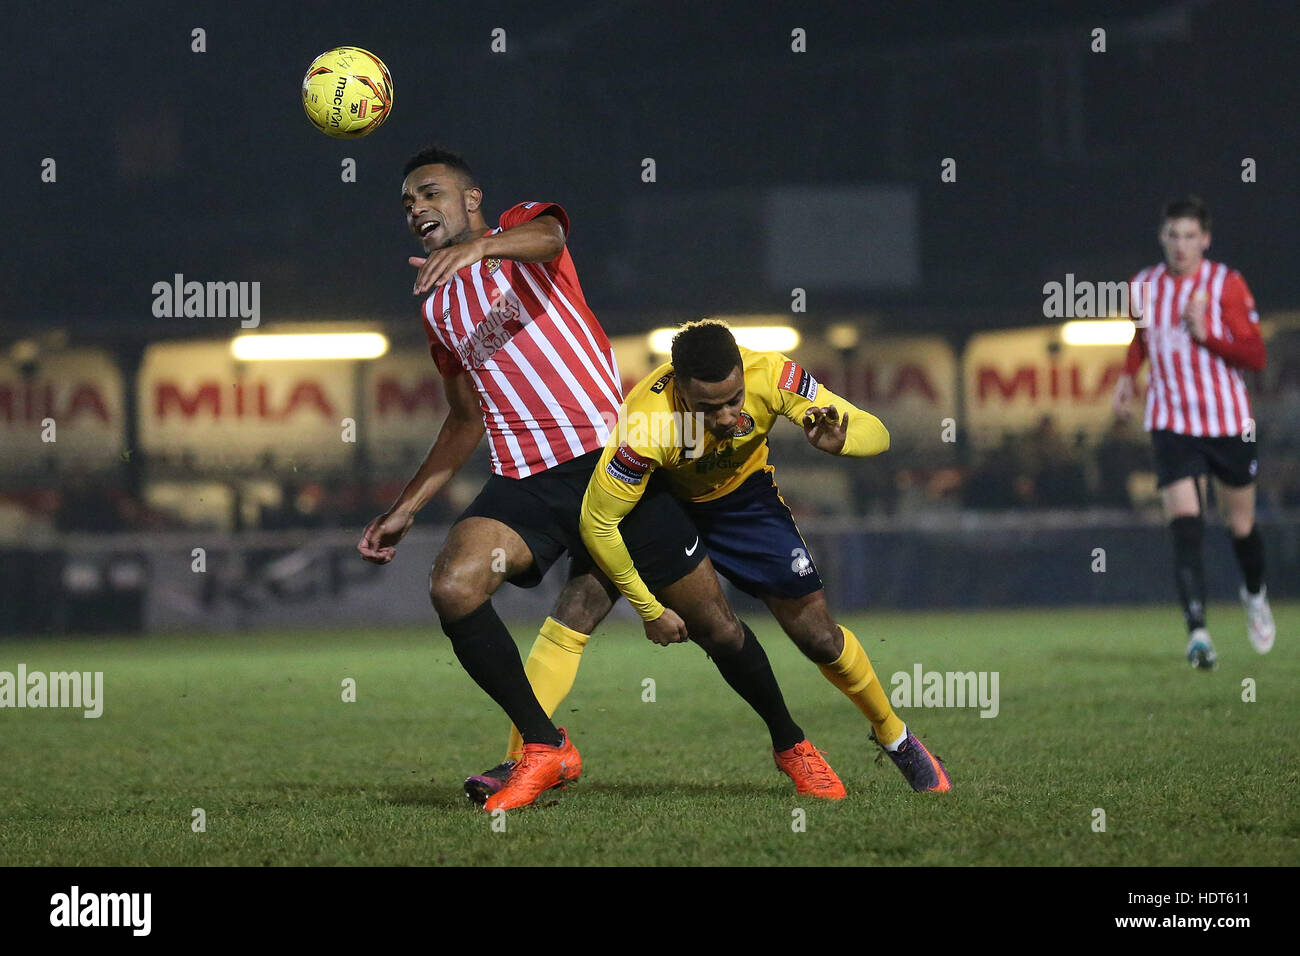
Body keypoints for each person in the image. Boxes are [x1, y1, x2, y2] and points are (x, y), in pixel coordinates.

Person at [359, 148, 839, 811]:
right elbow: (465, 417)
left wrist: (484, 250)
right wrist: (406, 506)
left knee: (716, 627)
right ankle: (542, 745)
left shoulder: (520, 235)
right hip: (527, 477)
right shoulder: (438, 307)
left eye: (430, 193)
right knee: (454, 586)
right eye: (407, 202)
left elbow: (553, 233)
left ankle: (792, 744)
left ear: (471, 200)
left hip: (614, 463)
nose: (416, 208)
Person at [474, 320, 952, 796]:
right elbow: (597, 523)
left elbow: (877, 431)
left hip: (743, 502)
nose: (725, 417)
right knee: (578, 605)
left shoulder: (773, 375)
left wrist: (845, 439)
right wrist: (650, 609)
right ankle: (524, 756)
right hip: (661, 503)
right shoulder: (645, 423)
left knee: (820, 637)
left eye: (734, 401)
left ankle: (896, 738)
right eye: (708, 407)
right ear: (679, 387)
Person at [1112, 196, 1275, 667]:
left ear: (1205, 239)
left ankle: (1255, 594)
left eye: (1189, 236)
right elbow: (1141, 340)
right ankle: (1198, 633)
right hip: (1171, 421)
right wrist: (1127, 378)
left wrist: (1207, 334)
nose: (1180, 245)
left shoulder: (1226, 284)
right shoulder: (1143, 286)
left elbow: (1255, 356)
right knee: (1186, 525)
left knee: (1240, 526)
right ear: (1162, 237)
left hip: (1227, 422)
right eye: (1172, 235)